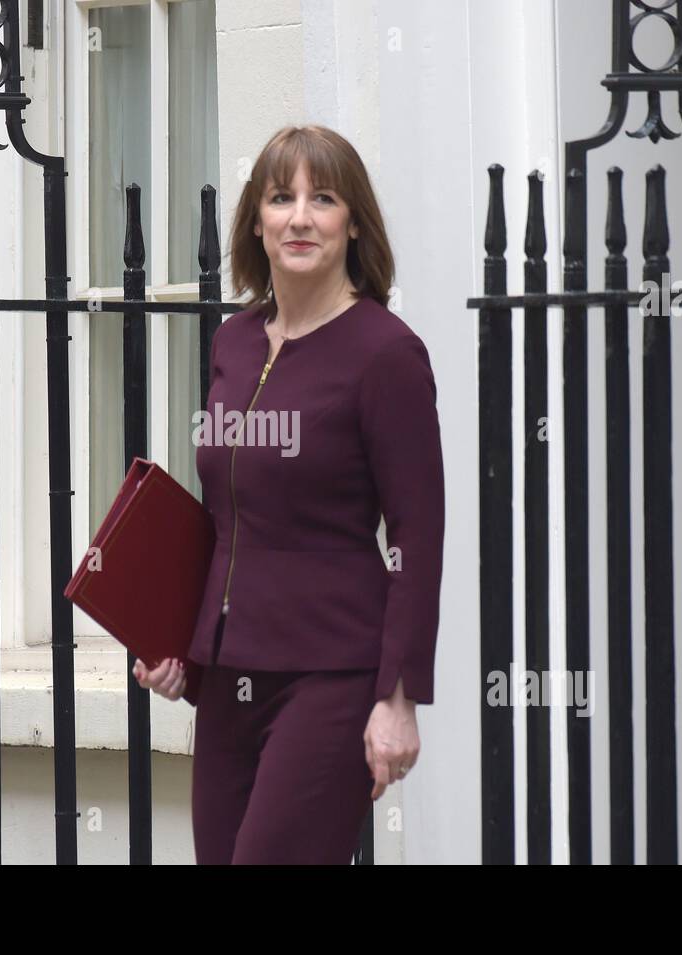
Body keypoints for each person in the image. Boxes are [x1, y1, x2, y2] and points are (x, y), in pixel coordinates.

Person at [134, 124, 445, 864]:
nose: (300, 216)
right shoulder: (234, 344)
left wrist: (398, 698)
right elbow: (224, 516)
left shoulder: (386, 354)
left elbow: (417, 531)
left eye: (322, 198)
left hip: (331, 677)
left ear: (353, 222)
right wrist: (180, 641)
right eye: (281, 197)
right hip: (229, 680)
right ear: (258, 221)